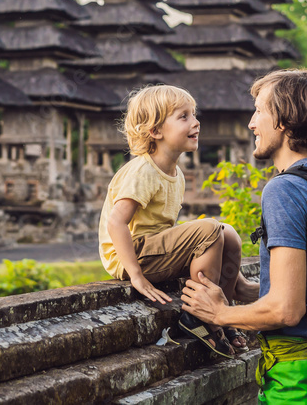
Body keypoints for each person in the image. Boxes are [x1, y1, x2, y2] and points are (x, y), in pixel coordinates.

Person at [181, 69, 307, 404]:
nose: (251, 123)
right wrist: (249, 291)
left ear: (285, 121)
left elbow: (287, 311)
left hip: (300, 380)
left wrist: (220, 314)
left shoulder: (285, 189)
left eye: (260, 110)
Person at [98, 84, 256, 357]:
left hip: (155, 249)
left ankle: (224, 308)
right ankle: (198, 316)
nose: (196, 123)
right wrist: (136, 275)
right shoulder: (143, 170)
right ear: (156, 131)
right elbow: (116, 223)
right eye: (183, 116)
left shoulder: (176, 173)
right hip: (131, 254)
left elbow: (169, 233)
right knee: (209, 228)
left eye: (194, 115)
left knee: (227, 232)